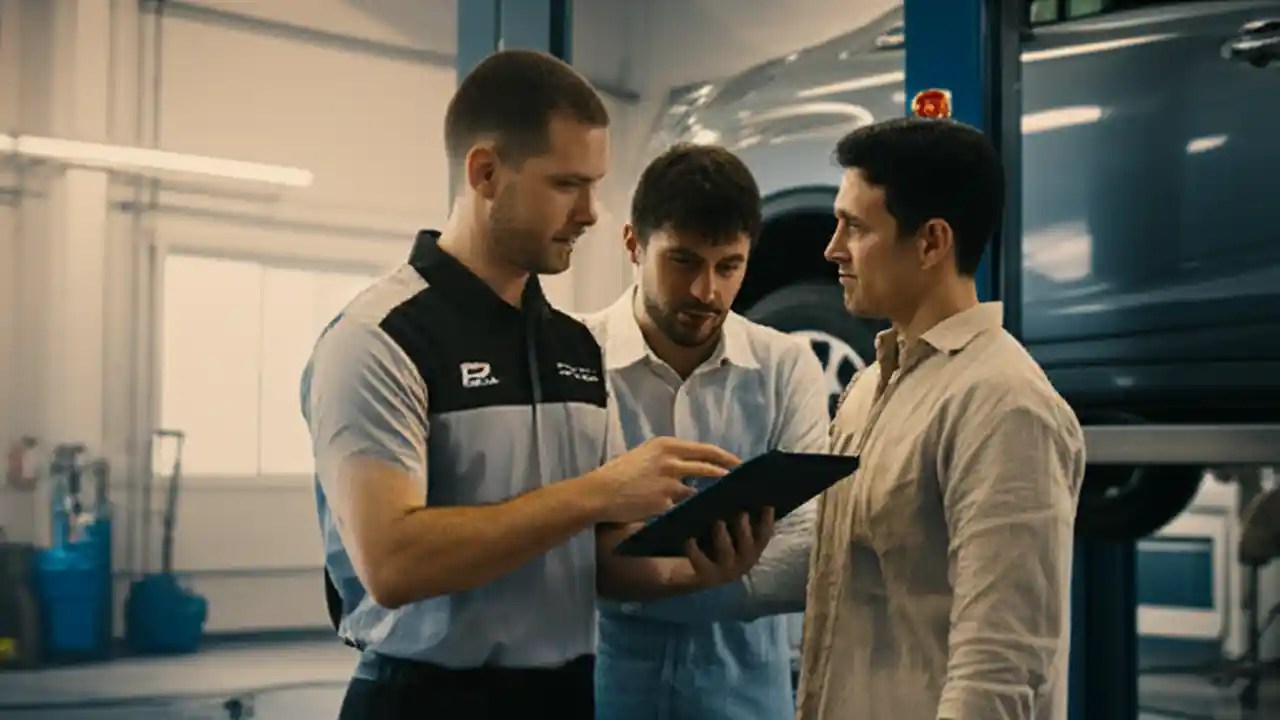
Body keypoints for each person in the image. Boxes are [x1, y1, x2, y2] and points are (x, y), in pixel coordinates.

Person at [300, 50, 770, 720]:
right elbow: (395, 563)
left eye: (595, 185)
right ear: (485, 172)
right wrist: (599, 490)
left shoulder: (572, 348)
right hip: (423, 701)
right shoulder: (378, 339)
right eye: (567, 185)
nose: (590, 213)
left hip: (565, 697)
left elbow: (597, 560)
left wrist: (700, 569)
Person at [794, 117, 1086, 720]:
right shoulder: (870, 386)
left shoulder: (1004, 405)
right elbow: (846, 569)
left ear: (931, 242)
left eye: (855, 227)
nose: (832, 249)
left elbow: (1000, 664)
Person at [581, 142, 831, 720]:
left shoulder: (785, 365)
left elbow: (808, 554)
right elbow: (555, 556)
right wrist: (729, 577)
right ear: (633, 244)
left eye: (729, 266)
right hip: (605, 698)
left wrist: (630, 580)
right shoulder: (574, 355)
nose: (706, 292)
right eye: (683, 261)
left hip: (744, 702)